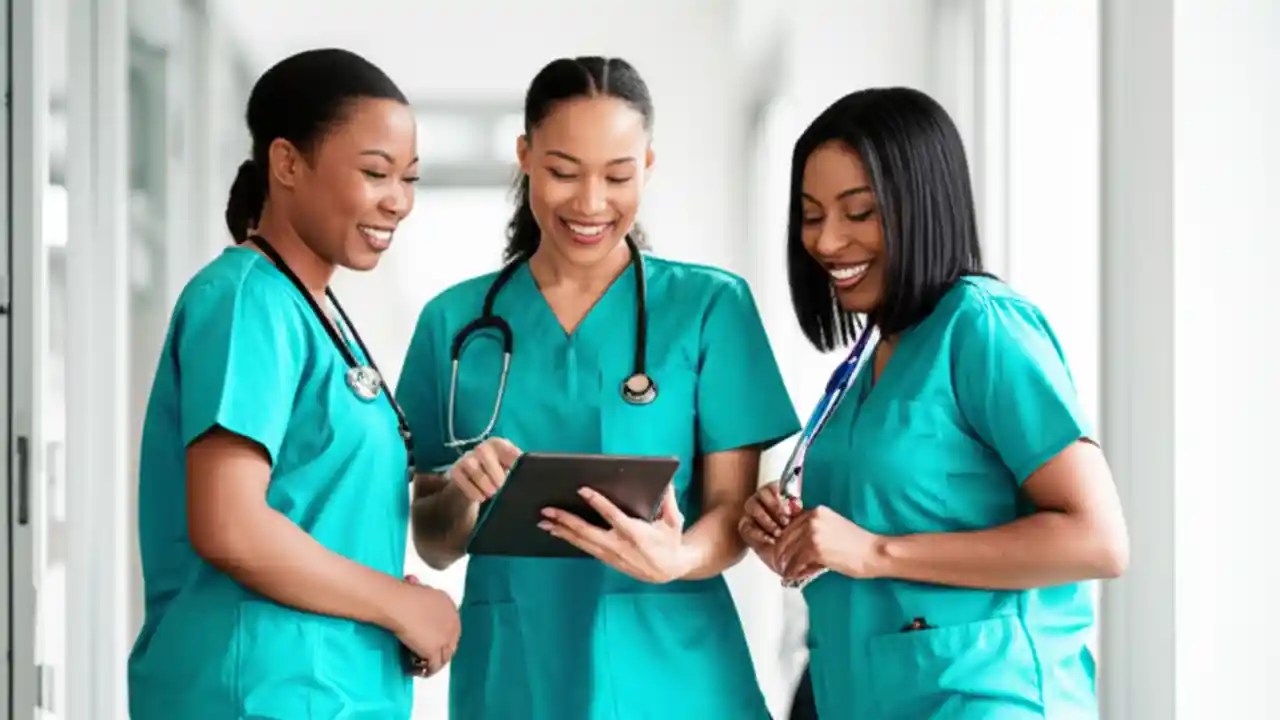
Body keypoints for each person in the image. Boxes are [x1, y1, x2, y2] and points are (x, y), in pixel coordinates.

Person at [397, 56, 800, 720]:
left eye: (617, 176)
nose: (590, 203)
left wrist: (677, 556)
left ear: (647, 166)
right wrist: (464, 493)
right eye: (562, 172)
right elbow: (435, 543)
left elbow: (731, 512)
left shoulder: (708, 308)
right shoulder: (454, 323)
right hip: (518, 669)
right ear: (524, 156)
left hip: (676, 672)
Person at [739, 87, 1130, 719]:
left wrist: (872, 551)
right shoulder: (878, 354)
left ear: (918, 205)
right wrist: (794, 536)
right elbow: (875, 536)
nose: (828, 241)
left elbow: (1098, 540)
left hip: (981, 697)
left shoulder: (984, 328)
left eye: (858, 212)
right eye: (811, 215)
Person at [127, 49, 460, 719]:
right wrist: (397, 604)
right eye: (374, 172)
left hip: (326, 690)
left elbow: (317, 516)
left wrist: (402, 602)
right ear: (287, 164)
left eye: (410, 178)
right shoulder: (247, 301)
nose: (398, 201)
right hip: (258, 694)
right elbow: (230, 524)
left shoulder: (316, 310)